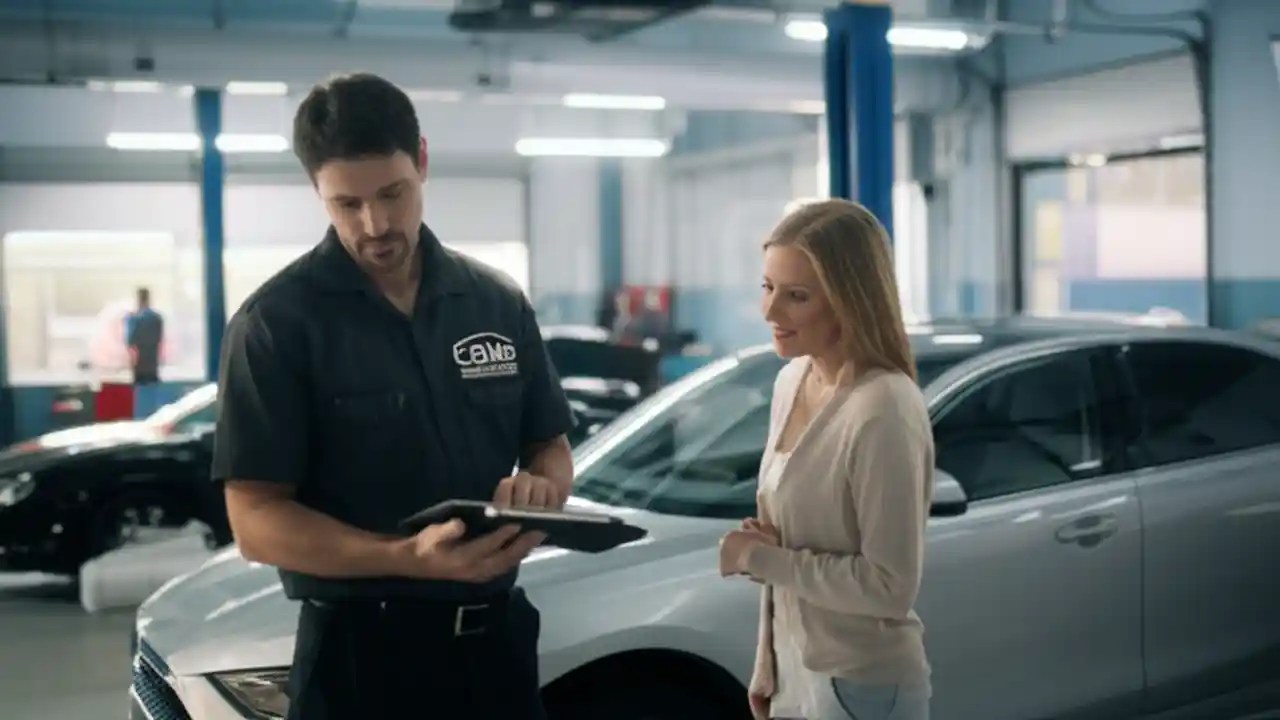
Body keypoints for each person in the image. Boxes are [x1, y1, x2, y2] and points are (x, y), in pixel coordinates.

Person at [212, 72, 575, 720]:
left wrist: (544, 487)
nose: (375, 224)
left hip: (497, 655)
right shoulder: (276, 326)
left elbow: (548, 442)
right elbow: (256, 521)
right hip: (361, 665)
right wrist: (404, 559)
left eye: (392, 194)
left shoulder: (494, 302)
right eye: (347, 203)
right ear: (316, 190)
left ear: (422, 161)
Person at [718, 199, 934, 720]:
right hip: (796, 676)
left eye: (797, 296)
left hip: (862, 686)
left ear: (849, 300)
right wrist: (769, 669)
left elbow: (890, 586)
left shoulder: (883, 407)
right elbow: (795, 557)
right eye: (768, 288)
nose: (770, 312)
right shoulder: (791, 381)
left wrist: (758, 559)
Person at [125, 287, 164, 418]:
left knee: (139, 400)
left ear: (138, 299)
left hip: (139, 365)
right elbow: (159, 339)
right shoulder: (157, 318)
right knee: (152, 398)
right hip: (152, 364)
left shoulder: (133, 318)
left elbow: (130, 342)